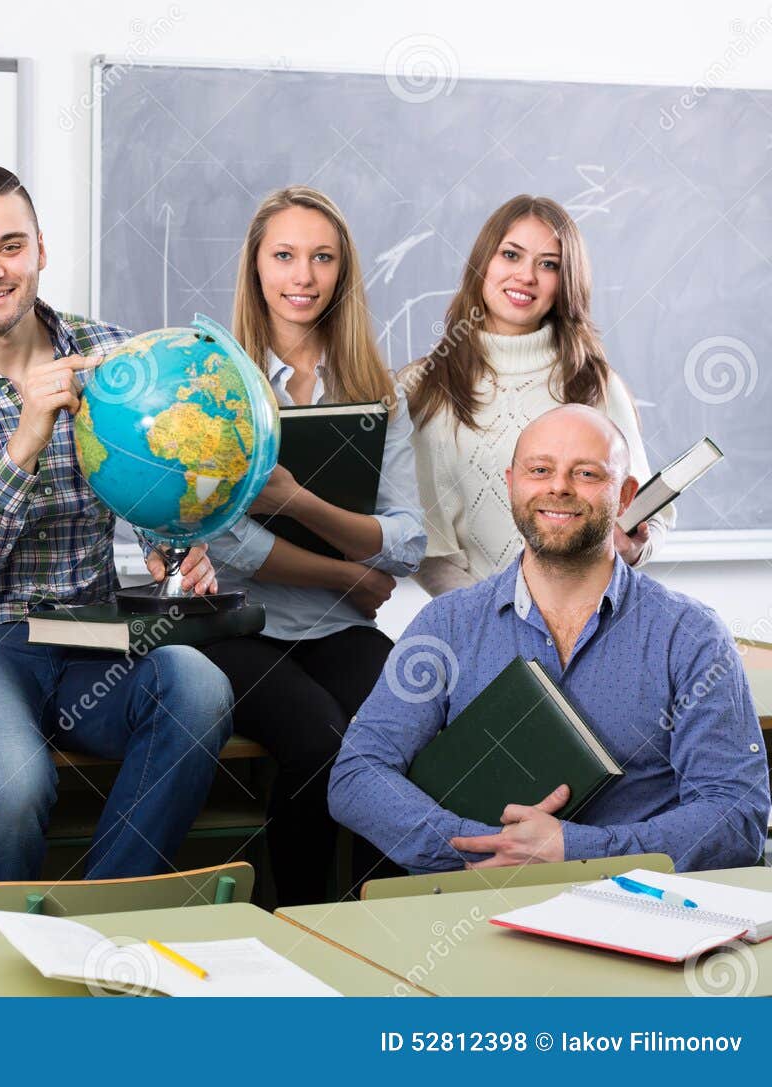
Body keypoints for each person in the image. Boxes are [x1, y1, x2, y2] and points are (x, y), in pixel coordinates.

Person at [0, 165, 234, 925]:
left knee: (198, 687)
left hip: (89, 633)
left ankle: (96, 925)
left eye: (10, 246)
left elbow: (148, 479)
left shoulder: (112, 354)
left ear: (40, 248)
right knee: (13, 785)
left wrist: (171, 542)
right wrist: (24, 443)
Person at [330, 404, 769, 874]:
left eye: (586, 473)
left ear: (626, 496)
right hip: (473, 900)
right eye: (539, 470)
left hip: (634, 901)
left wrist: (576, 850)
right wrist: (485, 848)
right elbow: (358, 775)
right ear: (512, 484)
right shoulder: (446, 625)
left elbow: (735, 815)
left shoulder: (691, 635)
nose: (559, 487)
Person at [199, 187, 426, 905]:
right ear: (256, 267)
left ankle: (384, 921)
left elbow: (406, 541)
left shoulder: (375, 393)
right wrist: (347, 575)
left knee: (411, 732)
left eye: (323, 258)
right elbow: (227, 541)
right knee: (322, 742)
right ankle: (300, 923)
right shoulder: (214, 387)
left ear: (342, 272)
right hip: (238, 627)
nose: (303, 276)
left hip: (336, 628)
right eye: (285, 256)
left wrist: (297, 502)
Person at [402, 194, 671, 597]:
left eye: (548, 264)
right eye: (511, 255)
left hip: (589, 616)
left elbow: (653, 517)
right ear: (483, 262)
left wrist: (634, 548)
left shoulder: (594, 383)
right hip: (476, 620)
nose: (526, 276)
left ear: (566, 281)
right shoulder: (422, 387)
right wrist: (491, 617)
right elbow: (429, 548)